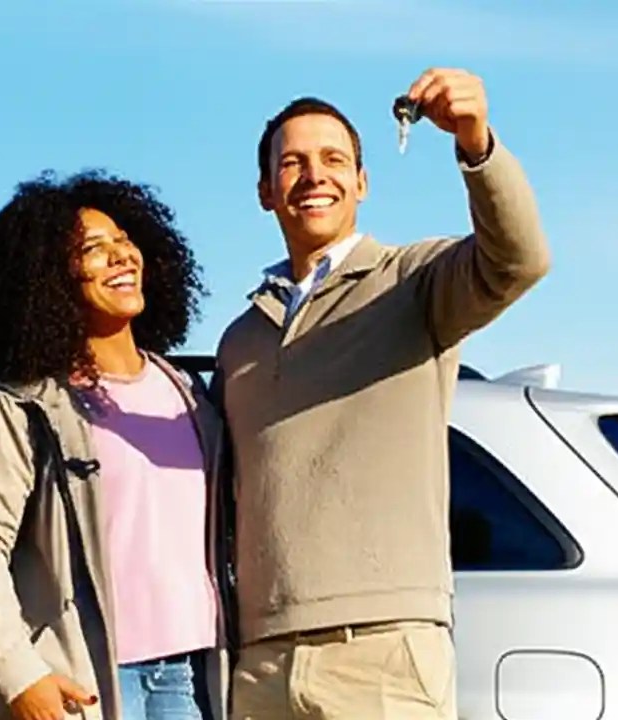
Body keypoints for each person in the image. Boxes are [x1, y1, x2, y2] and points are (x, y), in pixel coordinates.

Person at [212, 67, 551, 719]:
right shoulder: (240, 341)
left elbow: (519, 260)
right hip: (262, 662)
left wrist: (476, 145)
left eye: (334, 160)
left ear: (362, 183)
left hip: (383, 655)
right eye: (293, 163)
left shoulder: (414, 283)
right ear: (264, 191)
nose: (315, 176)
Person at [0, 170, 231, 720]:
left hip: (192, 678)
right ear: (50, 280)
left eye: (124, 240)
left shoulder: (190, 397)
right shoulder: (26, 403)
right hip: (87, 684)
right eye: (94, 249)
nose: (121, 256)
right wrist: (20, 672)